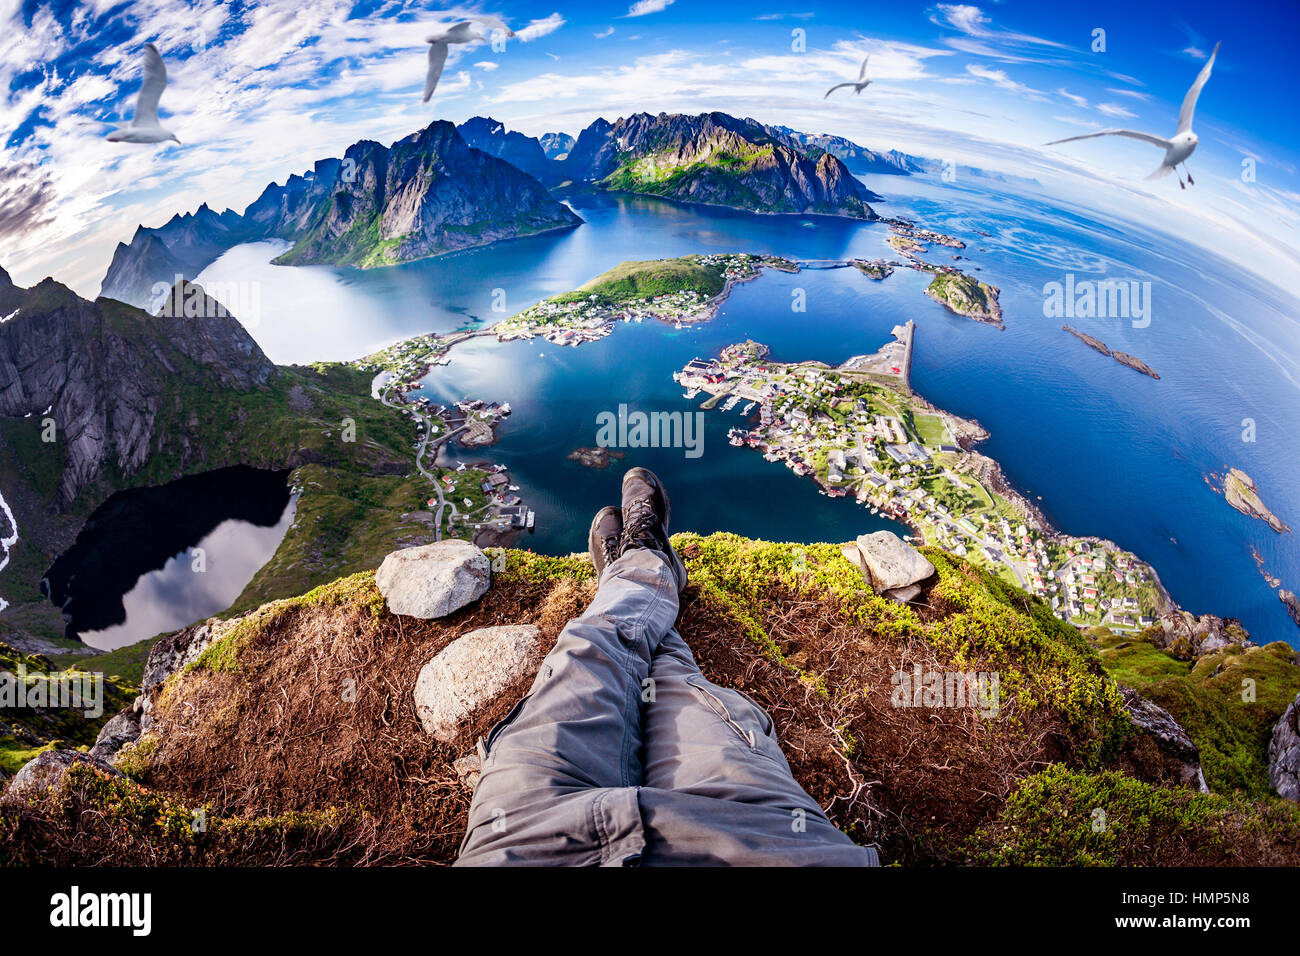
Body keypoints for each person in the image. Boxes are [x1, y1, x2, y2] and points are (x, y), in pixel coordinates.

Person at [456, 467, 879, 866]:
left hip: (524, 840)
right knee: (676, 684)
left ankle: (631, 573)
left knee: (584, 653)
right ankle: (643, 560)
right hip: (753, 839)